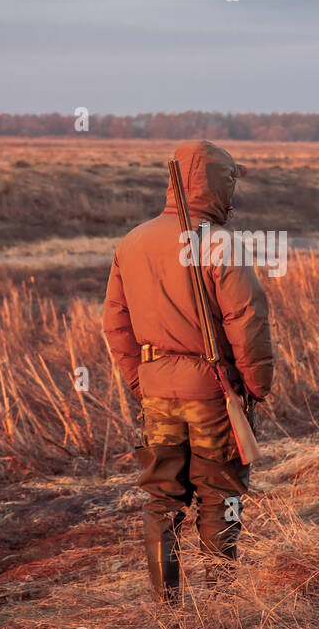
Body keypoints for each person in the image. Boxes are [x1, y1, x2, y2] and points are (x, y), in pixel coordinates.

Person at [103, 140, 273, 602]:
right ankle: (222, 598)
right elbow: (247, 319)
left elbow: (114, 322)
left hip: (156, 392)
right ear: (219, 185)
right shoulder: (219, 243)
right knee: (220, 494)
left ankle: (167, 605)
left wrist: (140, 380)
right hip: (212, 393)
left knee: (162, 499)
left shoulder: (132, 241)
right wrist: (257, 385)